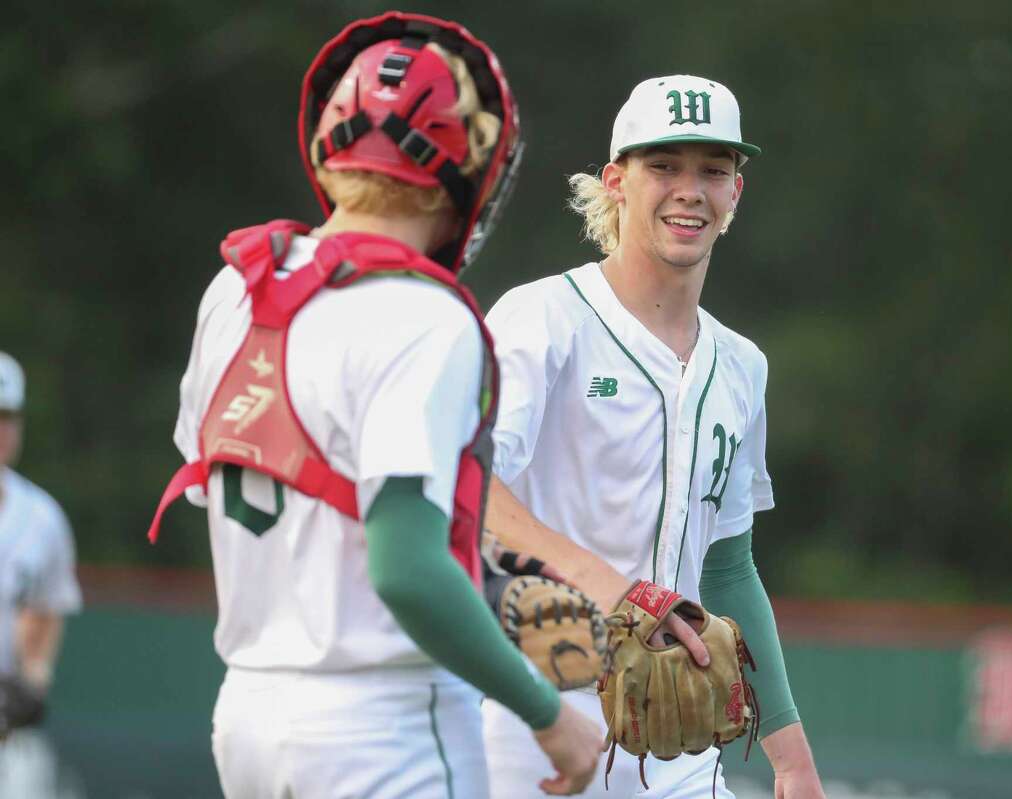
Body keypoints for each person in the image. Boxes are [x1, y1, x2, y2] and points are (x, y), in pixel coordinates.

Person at [148, 13, 602, 798]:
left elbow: (267, 489)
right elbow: (404, 571)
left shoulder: (239, 282)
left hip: (249, 714)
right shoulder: (425, 316)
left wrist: (471, 582)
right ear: (467, 171)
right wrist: (550, 718)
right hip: (383, 725)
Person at [480, 76, 828, 798]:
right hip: (528, 717)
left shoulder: (740, 365)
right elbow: (465, 488)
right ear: (616, 182)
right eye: (663, 166)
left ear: (738, 190)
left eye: (713, 169)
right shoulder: (543, 320)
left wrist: (790, 755)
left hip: (678, 733)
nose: (689, 189)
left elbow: (729, 567)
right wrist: (616, 588)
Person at [0, 351, 83, 796]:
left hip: (7, 735)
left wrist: (34, 680)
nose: (0, 427)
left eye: (8, 415)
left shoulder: (41, 518)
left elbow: (44, 615)